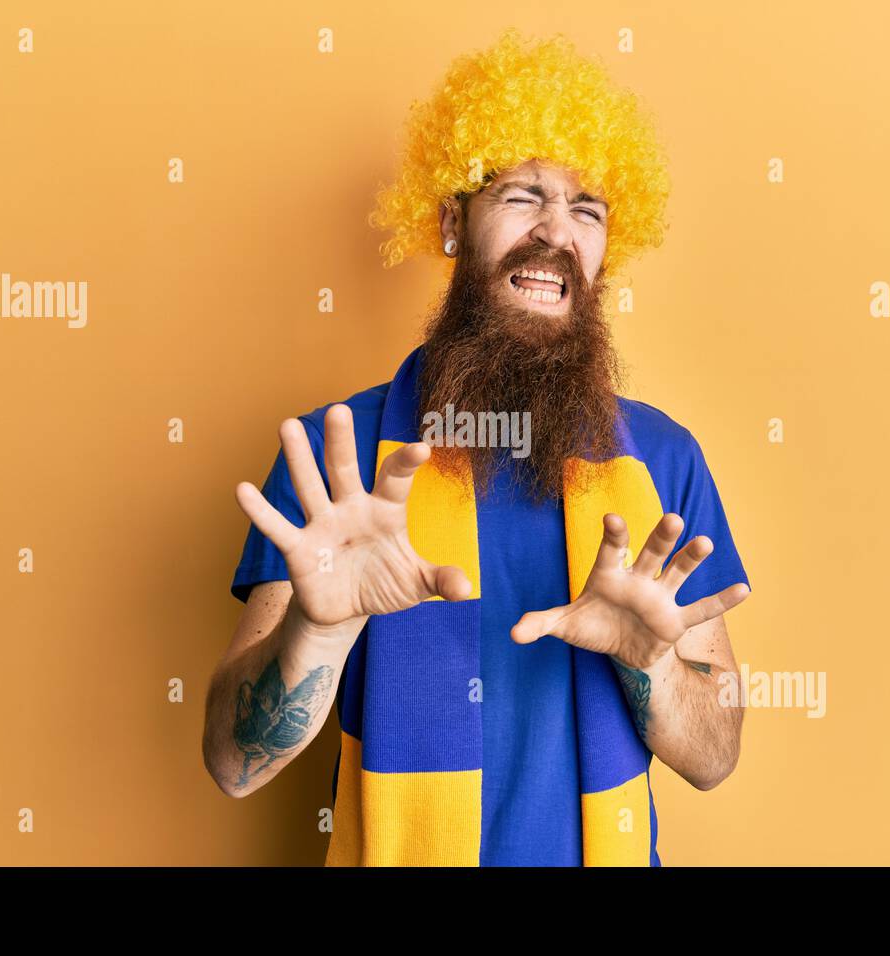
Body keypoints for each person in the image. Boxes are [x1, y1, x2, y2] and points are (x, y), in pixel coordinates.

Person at [202, 28, 751, 867]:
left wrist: (656, 672)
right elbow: (233, 766)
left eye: (589, 209)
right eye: (523, 196)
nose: (557, 234)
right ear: (453, 221)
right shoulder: (337, 463)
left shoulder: (664, 458)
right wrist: (316, 632)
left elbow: (714, 759)